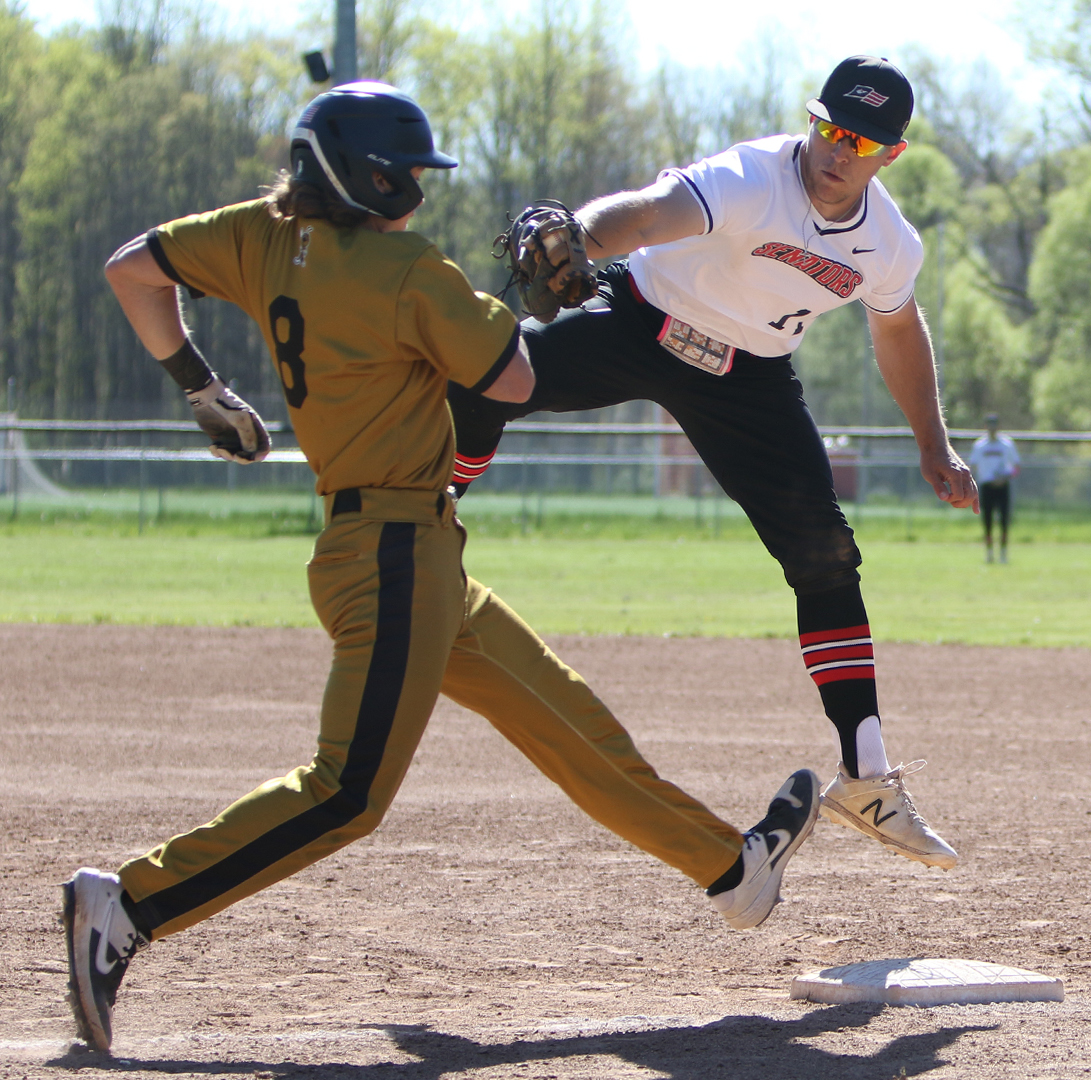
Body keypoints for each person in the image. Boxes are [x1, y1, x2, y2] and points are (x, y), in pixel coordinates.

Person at [63, 82, 818, 1057]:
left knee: (564, 717)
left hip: (406, 550)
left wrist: (202, 388)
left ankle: (734, 871)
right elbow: (515, 377)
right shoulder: (408, 270)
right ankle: (128, 904)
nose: (418, 194)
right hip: (392, 556)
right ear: (368, 181)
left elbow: (133, 270)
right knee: (347, 791)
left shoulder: (258, 234)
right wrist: (542, 300)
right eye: (407, 178)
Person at [446, 55, 972, 872]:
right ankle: (427, 514)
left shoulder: (889, 244)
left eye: (861, 141)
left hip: (748, 377)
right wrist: (578, 238)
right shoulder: (751, 177)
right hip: (638, 320)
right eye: (830, 127)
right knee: (486, 374)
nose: (839, 150)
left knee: (826, 555)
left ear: (890, 155)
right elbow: (649, 215)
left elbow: (897, 330)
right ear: (812, 119)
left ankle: (867, 777)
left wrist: (932, 444)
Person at [968, 414, 1020, 563]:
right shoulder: (980, 445)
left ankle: (1003, 552)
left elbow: (1016, 467)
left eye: (994, 424)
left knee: (1004, 520)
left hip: (1003, 486)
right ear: (985, 426)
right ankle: (989, 552)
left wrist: (1005, 477)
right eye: (989, 424)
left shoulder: (1007, 444)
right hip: (986, 486)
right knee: (987, 521)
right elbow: (974, 465)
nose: (992, 428)